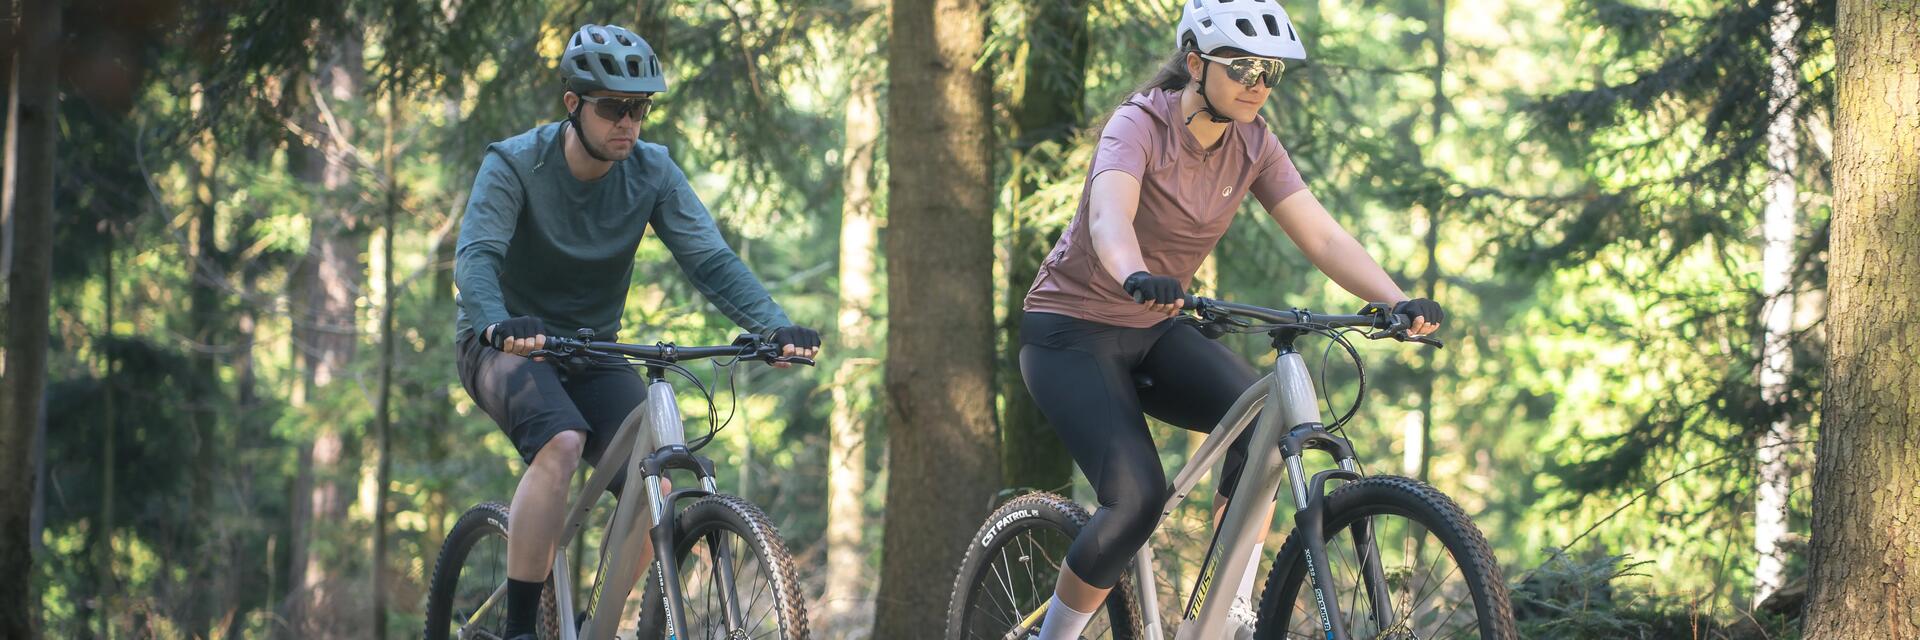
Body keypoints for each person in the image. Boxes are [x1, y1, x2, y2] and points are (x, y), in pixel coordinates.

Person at [1016, 2, 1444, 638]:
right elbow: (1110, 215)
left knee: (1262, 427)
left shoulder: (1255, 143)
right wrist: (1134, 273)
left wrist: (1396, 299)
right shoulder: (1138, 124)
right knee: (1135, 501)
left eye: (1270, 70)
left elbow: (1322, 238)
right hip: (1069, 330)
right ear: (1195, 64)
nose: (1258, 83)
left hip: (1154, 328)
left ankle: (1223, 612)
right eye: (1241, 67)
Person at [451, 24, 822, 640]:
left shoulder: (651, 170)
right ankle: (520, 628)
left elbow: (710, 260)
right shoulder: (514, 163)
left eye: (640, 109)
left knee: (655, 482)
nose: (629, 122)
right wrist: (495, 322)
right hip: (502, 344)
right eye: (613, 108)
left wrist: (773, 327)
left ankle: (599, 628)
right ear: (573, 105)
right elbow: (477, 258)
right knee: (563, 442)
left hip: (592, 347)